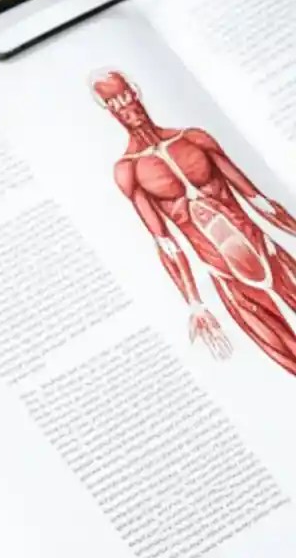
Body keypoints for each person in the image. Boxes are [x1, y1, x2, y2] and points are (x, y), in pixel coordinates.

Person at [91, 69, 296, 376]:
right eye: (114, 101)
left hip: (268, 252)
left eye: (125, 95)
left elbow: (258, 200)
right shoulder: (128, 170)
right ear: (107, 109)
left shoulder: (193, 138)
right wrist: (194, 303)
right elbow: (165, 242)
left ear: (136, 91)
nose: (125, 106)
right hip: (226, 275)